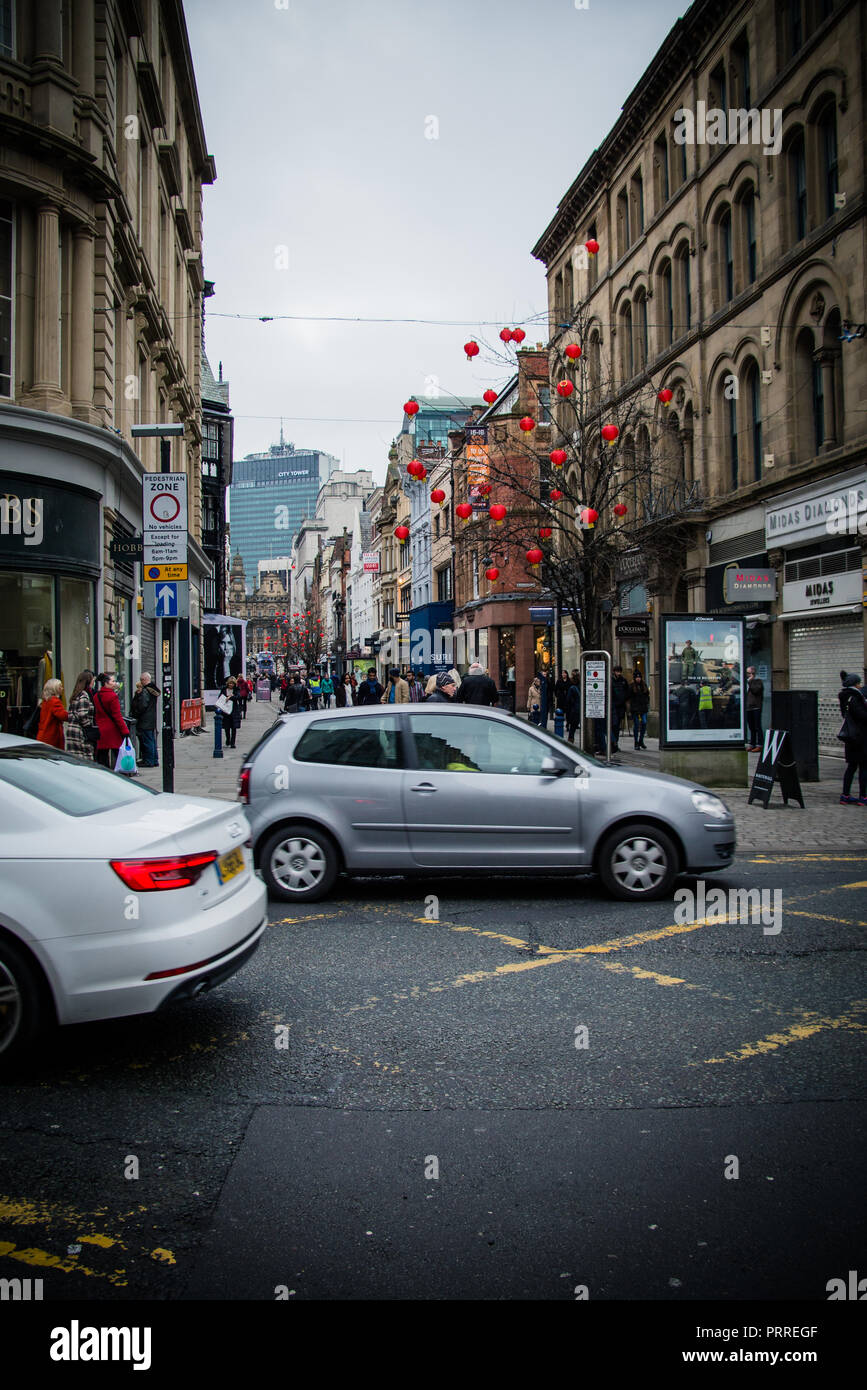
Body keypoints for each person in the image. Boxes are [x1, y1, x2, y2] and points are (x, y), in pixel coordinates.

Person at [838, 671, 867, 805]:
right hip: (860, 737)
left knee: (851, 766)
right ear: (855, 684)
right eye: (859, 683)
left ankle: (845, 794)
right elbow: (862, 716)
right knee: (863, 767)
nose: (861, 685)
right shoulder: (855, 697)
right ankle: (863, 796)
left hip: (850, 737)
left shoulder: (845, 697)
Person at [93, 672, 130, 768]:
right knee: (118, 754)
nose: (115, 683)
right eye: (113, 681)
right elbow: (117, 716)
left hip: (101, 729)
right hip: (112, 730)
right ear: (106, 683)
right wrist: (125, 730)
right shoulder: (112, 696)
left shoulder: (96, 696)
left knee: (102, 755)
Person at [65, 669, 97, 761]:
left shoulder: (76, 695)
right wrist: (89, 727)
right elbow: (82, 715)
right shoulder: (84, 695)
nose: (93, 683)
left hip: (72, 730)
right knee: (85, 759)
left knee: (75, 758)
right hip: (80, 732)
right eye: (92, 681)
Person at [130, 671, 160, 767]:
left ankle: (149, 761)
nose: (140, 681)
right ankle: (154, 760)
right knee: (151, 740)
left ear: (144, 680)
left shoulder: (145, 691)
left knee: (147, 741)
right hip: (150, 720)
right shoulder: (152, 690)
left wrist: (135, 713)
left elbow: (142, 705)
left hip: (144, 720)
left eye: (141, 679)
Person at [36, 677, 69, 749]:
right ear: (55, 688)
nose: (62, 688)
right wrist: (73, 714)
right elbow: (63, 715)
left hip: (43, 734)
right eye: (60, 686)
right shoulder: (55, 701)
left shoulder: (45, 701)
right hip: (51, 737)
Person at [745, 666, 764, 751]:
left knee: (757, 726)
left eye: (748, 673)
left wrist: (750, 681)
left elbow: (755, 691)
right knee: (751, 727)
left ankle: (760, 744)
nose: (747, 675)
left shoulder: (758, 681)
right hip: (748, 707)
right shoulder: (747, 682)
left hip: (756, 707)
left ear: (753, 674)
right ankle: (752, 743)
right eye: (747, 673)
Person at [220, 676, 242, 747]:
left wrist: (230, 697)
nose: (231, 685)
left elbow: (238, 697)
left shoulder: (236, 690)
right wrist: (226, 698)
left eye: (232, 684)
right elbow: (220, 697)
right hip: (226, 710)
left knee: (234, 727)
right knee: (227, 727)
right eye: (230, 683)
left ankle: (233, 743)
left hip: (234, 710)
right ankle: (228, 739)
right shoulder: (224, 689)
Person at [611, 666, 629, 753]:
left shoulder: (623, 681)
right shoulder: (611, 680)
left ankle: (615, 743)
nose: (619, 673)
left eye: (620, 671)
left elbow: (627, 692)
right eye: (617, 671)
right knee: (613, 725)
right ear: (614, 672)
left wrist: (624, 700)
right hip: (613, 706)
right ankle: (613, 743)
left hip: (620, 706)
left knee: (617, 726)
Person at [630, 672, 650, 749]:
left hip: (643, 708)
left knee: (644, 723)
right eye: (637, 677)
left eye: (639, 677)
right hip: (635, 709)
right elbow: (629, 698)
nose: (638, 678)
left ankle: (641, 740)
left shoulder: (644, 685)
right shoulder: (632, 686)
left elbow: (647, 695)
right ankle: (636, 742)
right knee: (637, 724)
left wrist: (646, 703)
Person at [565, 671, 581, 744]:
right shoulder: (581, 686)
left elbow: (568, 700)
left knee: (573, 726)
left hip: (575, 709)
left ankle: (571, 739)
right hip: (581, 709)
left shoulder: (572, 688)